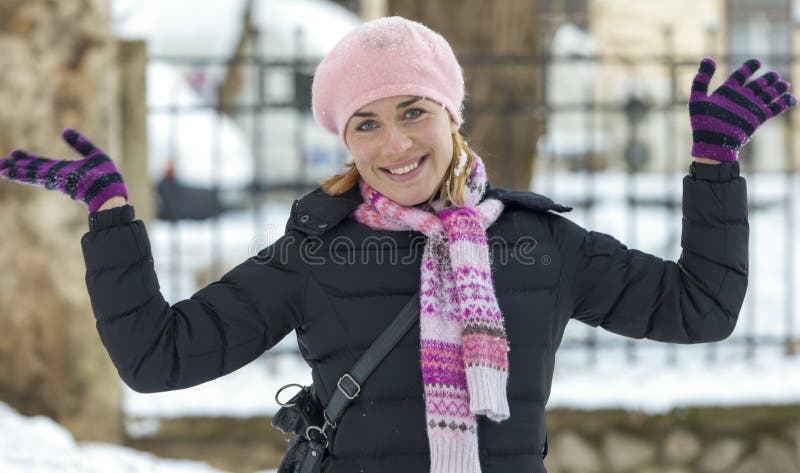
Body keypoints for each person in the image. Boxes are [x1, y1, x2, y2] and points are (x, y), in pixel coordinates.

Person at [0, 15, 795, 473]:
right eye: (366, 123)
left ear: (451, 113)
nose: (395, 143)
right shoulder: (313, 252)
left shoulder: (543, 244)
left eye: (414, 110)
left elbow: (699, 311)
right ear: (345, 139)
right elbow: (159, 358)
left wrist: (712, 171)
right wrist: (111, 224)